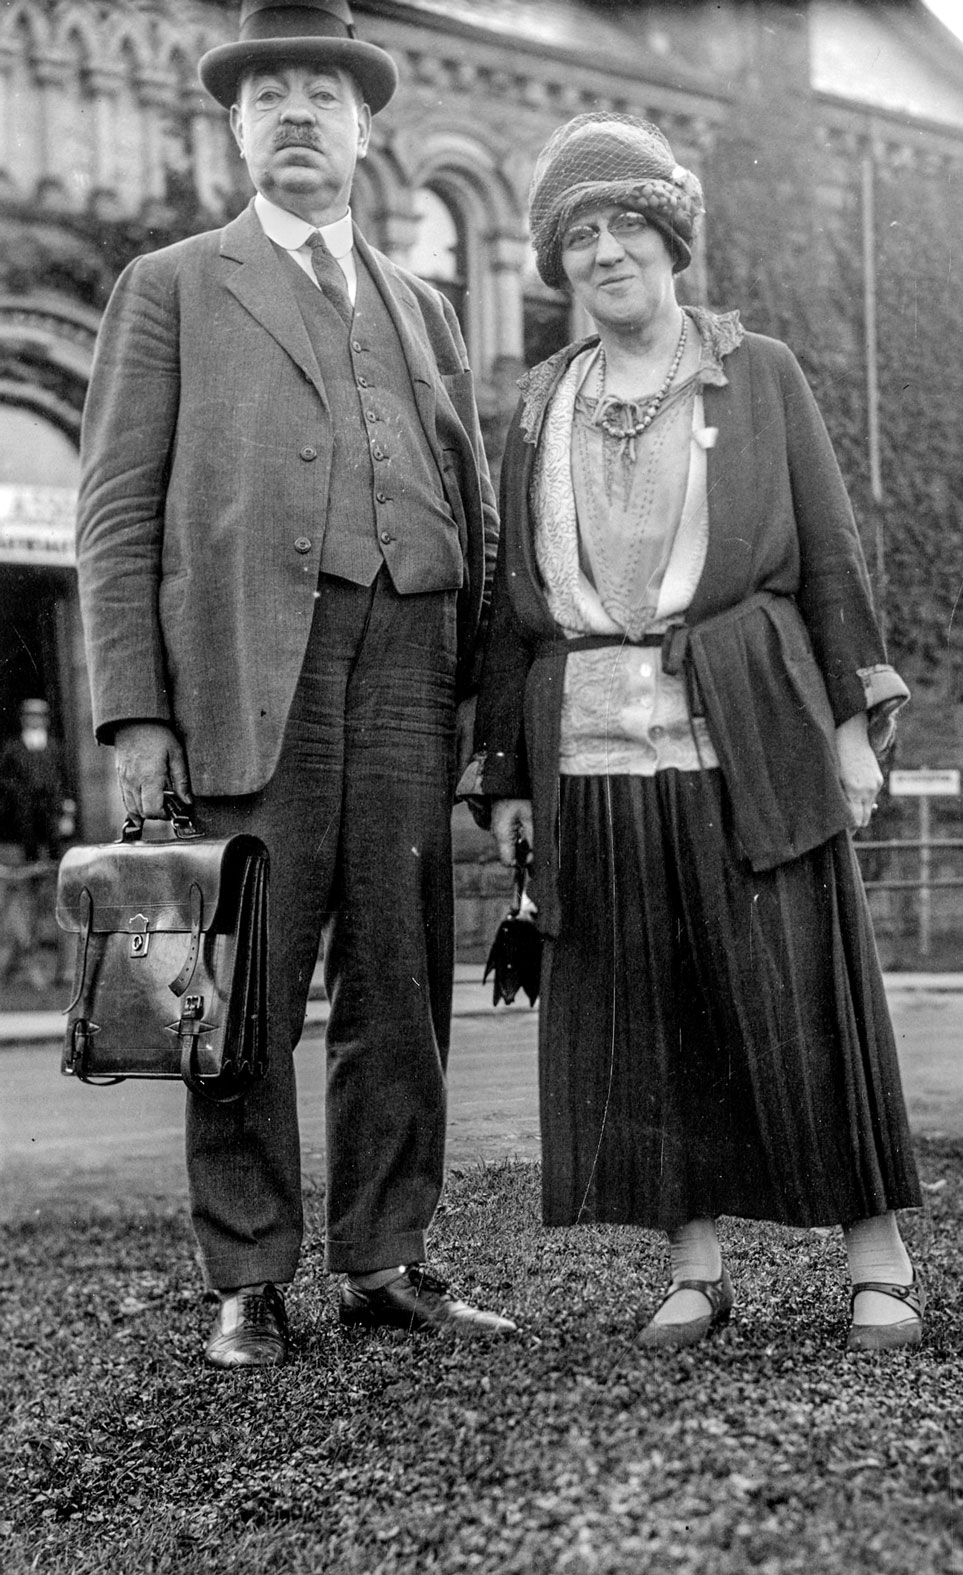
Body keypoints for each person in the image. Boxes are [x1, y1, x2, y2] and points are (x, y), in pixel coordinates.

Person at [75, 0, 514, 1370]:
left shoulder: (423, 302)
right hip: (252, 671)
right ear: (237, 128)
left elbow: (475, 506)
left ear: (365, 127)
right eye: (272, 98)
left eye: (325, 95)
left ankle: (387, 1259)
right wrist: (138, 710)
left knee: (403, 973)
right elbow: (115, 512)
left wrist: (486, 716)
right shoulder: (172, 284)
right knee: (237, 977)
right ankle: (248, 1273)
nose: (300, 117)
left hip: (410, 664)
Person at [469, 113, 925, 1352]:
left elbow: (826, 557)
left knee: (798, 996)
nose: (605, 253)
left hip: (751, 738)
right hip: (591, 755)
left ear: (672, 241)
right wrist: (505, 774)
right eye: (578, 238)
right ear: (556, 263)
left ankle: (875, 1264)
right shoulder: (536, 406)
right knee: (646, 1007)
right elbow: (515, 611)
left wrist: (850, 729)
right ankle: (695, 1271)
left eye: (627, 228)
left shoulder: (757, 370)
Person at [0, 699, 74, 862]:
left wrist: (67, 805)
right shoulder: (13, 748)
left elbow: (65, 776)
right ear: (22, 719)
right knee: (29, 845)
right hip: (25, 806)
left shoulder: (55, 747)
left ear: (46, 720)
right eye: (30, 716)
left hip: (51, 804)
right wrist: (18, 792)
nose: (35, 720)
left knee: (55, 844)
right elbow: (4, 777)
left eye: (39, 716)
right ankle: (32, 880)